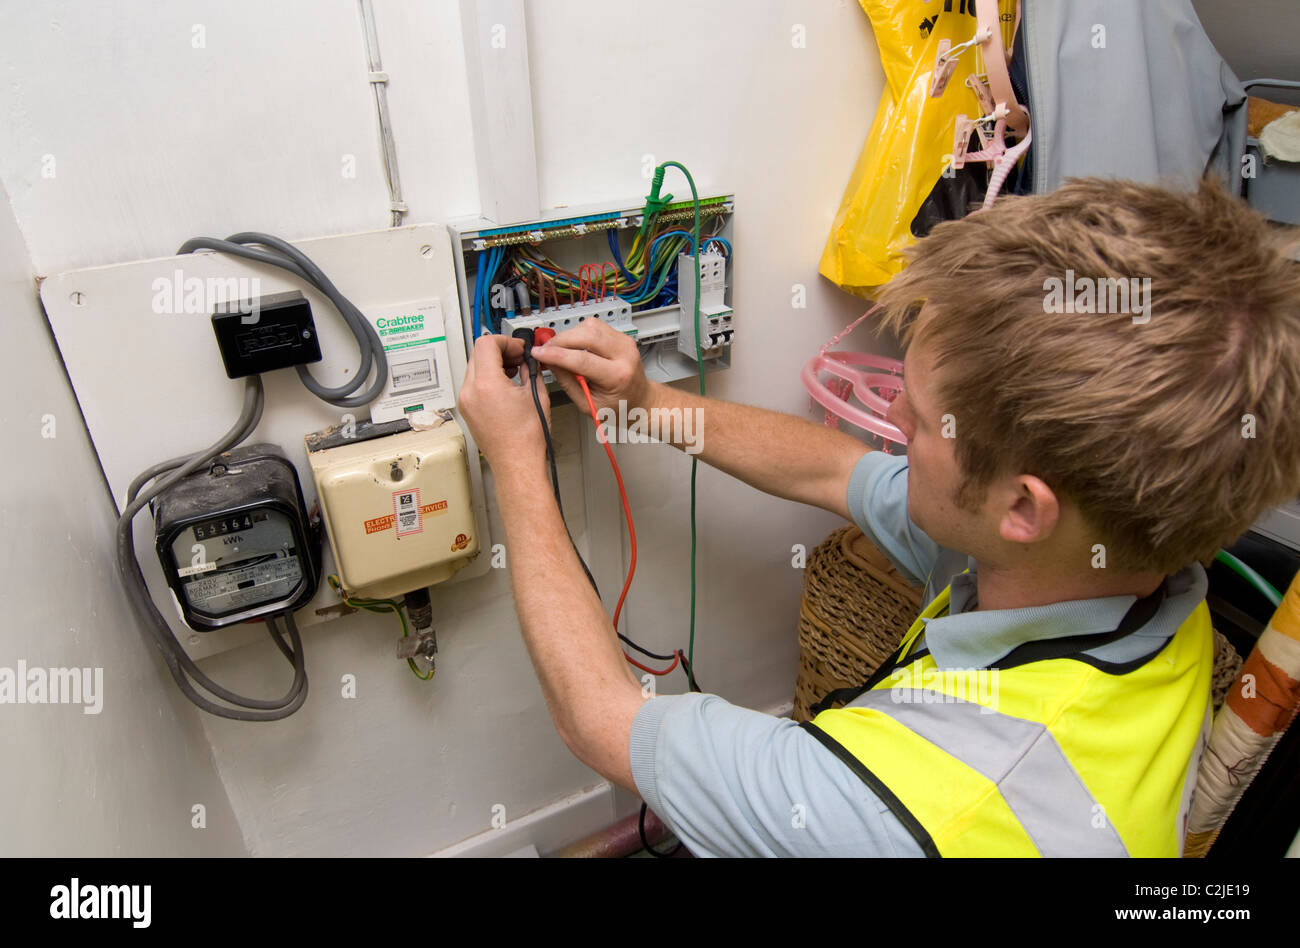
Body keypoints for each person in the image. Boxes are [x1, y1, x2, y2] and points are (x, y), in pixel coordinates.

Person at [456, 178, 1300, 857]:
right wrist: (643, 403)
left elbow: (601, 720)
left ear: (1022, 507)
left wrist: (518, 462)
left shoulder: (904, 812)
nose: (892, 420)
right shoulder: (1136, 576)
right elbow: (834, 468)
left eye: (923, 418)